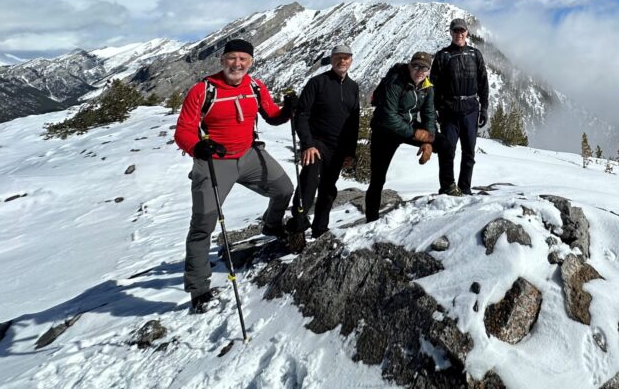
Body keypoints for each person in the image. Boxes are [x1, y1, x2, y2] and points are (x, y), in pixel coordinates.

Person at [174, 38, 295, 313]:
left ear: (250, 62)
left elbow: (272, 115)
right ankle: (199, 289)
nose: (237, 64)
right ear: (222, 60)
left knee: (284, 188)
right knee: (203, 224)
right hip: (214, 162)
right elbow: (183, 130)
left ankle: (271, 225)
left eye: (243, 59)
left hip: (249, 154)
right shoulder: (203, 90)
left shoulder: (255, 86)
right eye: (232, 58)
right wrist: (197, 146)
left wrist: (287, 110)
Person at [290, 42, 361, 237]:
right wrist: (308, 144)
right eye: (338, 57)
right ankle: (297, 224)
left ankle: (320, 228)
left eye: (346, 57)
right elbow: (302, 115)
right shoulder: (317, 82)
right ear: (331, 60)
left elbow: (353, 123)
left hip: (338, 147)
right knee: (309, 180)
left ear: (351, 61)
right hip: (316, 142)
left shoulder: (353, 87)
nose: (342, 60)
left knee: (329, 187)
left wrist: (350, 152)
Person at [365, 51, 436, 222]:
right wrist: (415, 134)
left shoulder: (427, 87)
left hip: (408, 127)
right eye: (416, 66)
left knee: (446, 145)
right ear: (410, 66)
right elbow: (389, 116)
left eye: (424, 68)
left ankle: (448, 190)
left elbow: (429, 114)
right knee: (377, 179)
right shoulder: (396, 82)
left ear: (428, 71)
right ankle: (371, 220)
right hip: (385, 131)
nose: (419, 71)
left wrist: (428, 141)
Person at [430, 17, 489, 196]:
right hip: (449, 111)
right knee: (447, 151)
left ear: (467, 33)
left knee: (469, 152)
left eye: (462, 31)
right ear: (451, 33)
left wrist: (484, 108)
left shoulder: (475, 54)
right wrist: (435, 110)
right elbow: (433, 86)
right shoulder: (443, 55)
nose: (459, 34)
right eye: (456, 31)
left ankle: (465, 188)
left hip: (471, 109)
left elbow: (483, 83)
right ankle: (447, 188)